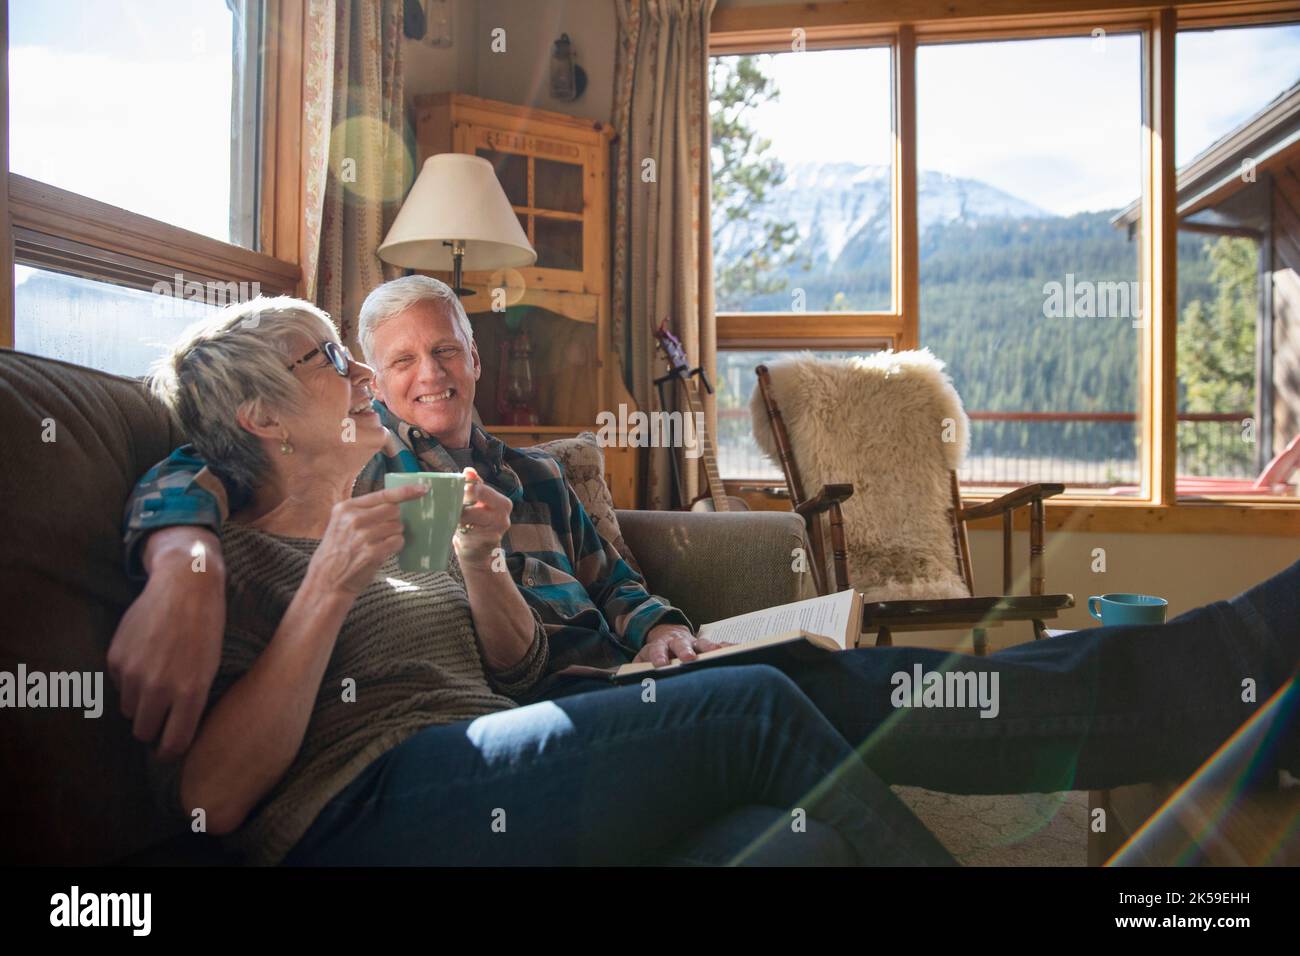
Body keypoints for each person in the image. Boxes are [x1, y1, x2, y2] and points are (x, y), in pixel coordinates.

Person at [139, 295, 956, 866]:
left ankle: (1040, 685)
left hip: (493, 755)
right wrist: (199, 559)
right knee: (759, 703)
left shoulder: (398, 512)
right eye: (335, 357)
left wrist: (483, 561)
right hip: (361, 805)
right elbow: (209, 800)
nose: (365, 375)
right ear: (263, 417)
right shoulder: (224, 550)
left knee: (799, 841)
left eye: (446, 350)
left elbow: (520, 661)